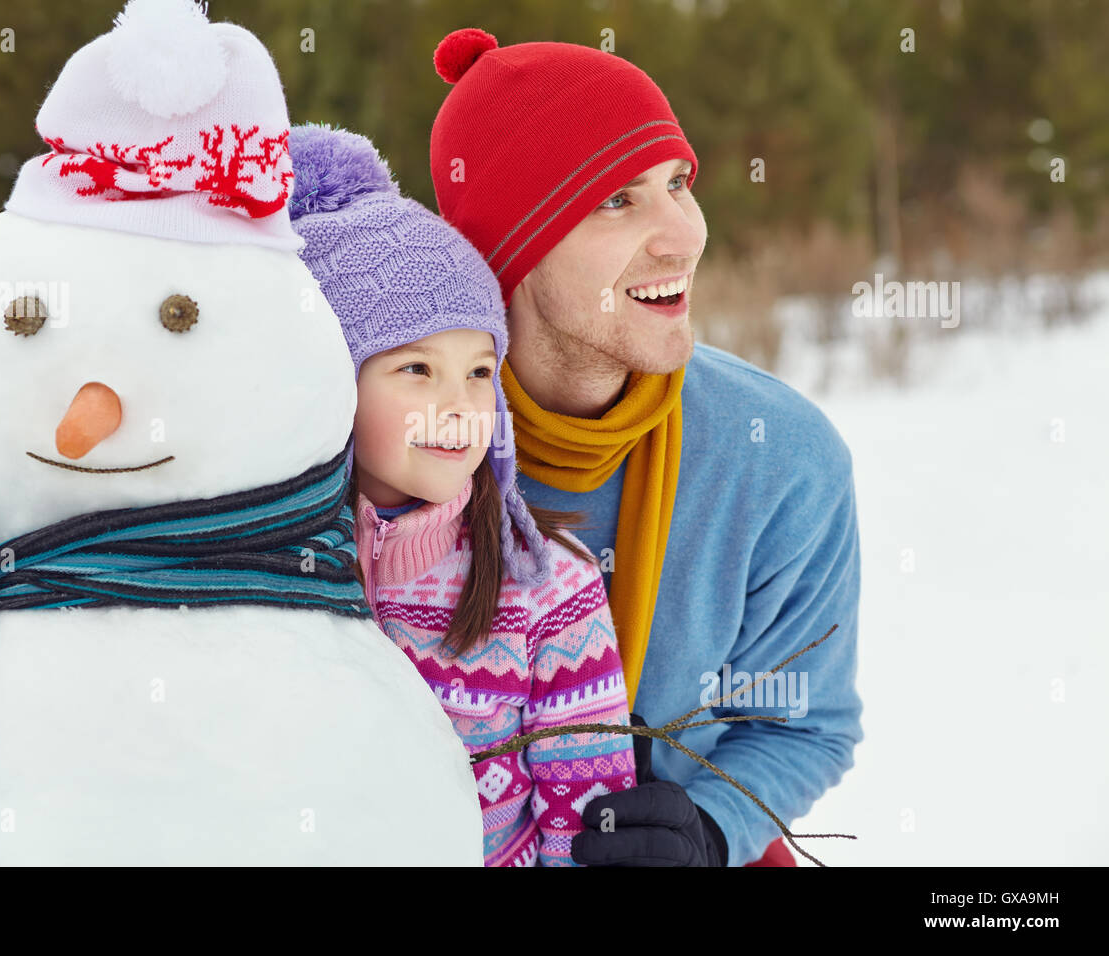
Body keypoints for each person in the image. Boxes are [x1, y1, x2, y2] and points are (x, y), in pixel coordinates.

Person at [428, 29, 863, 868]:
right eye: (615, 200)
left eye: (677, 184)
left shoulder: (781, 460)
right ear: (511, 248)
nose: (685, 236)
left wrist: (706, 829)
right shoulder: (392, 439)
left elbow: (805, 725)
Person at [286, 122, 640, 866]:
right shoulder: (272, 571)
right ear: (331, 384)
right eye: (416, 370)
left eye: (479, 372)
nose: (458, 404)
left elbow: (583, 837)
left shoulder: (549, 592)